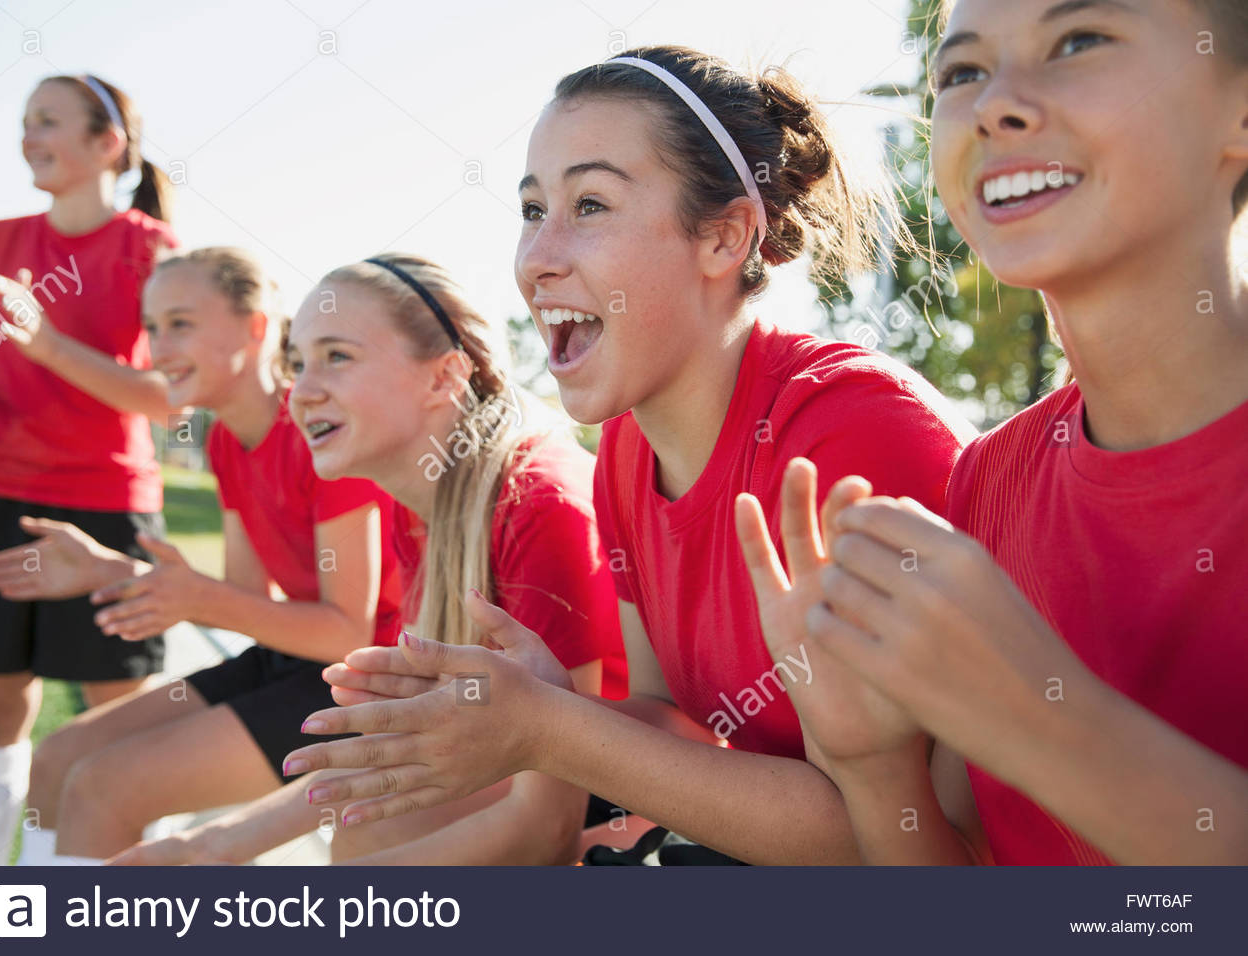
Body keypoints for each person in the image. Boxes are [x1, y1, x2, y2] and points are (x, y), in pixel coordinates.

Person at [281, 46, 975, 865]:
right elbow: (669, 715)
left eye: (592, 204)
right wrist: (547, 706)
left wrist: (558, 731)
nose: (537, 257)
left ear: (723, 237)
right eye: (534, 209)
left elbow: (882, 838)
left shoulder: (845, 434)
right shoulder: (624, 448)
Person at [736, 0, 1248, 864]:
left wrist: (1030, 715)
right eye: (962, 72)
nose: (994, 104)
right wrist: (875, 770)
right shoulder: (989, 480)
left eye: (1079, 41)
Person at [111, 252, 628, 865]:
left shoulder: (538, 503)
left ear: (444, 377)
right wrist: (208, 848)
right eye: (297, 362)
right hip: (526, 771)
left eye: (337, 356)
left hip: (624, 801)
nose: (301, 392)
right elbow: (393, 751)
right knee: (368, 830)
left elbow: (548, 827)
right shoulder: (417, 509)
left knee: (371, 837)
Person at [0, 247, 404, 862]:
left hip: (369, 684)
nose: (158, 347)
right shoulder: (227, 439)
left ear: (257, 328)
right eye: (151, 327)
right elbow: (245, 604)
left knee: (103, 789)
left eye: (181, 323)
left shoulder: (320, 429)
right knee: (58, 758)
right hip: (292, 661)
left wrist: (186, 593)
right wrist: (119, 574)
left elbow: (347, 633)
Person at [0, 73, 177, 865]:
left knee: (114, 729)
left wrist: (47, 345)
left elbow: (166, 401)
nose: (27, 136)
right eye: (22, 122)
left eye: (46, 121)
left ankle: (73, 910)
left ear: (106, 143)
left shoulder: (154, 250)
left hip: (105, 506)